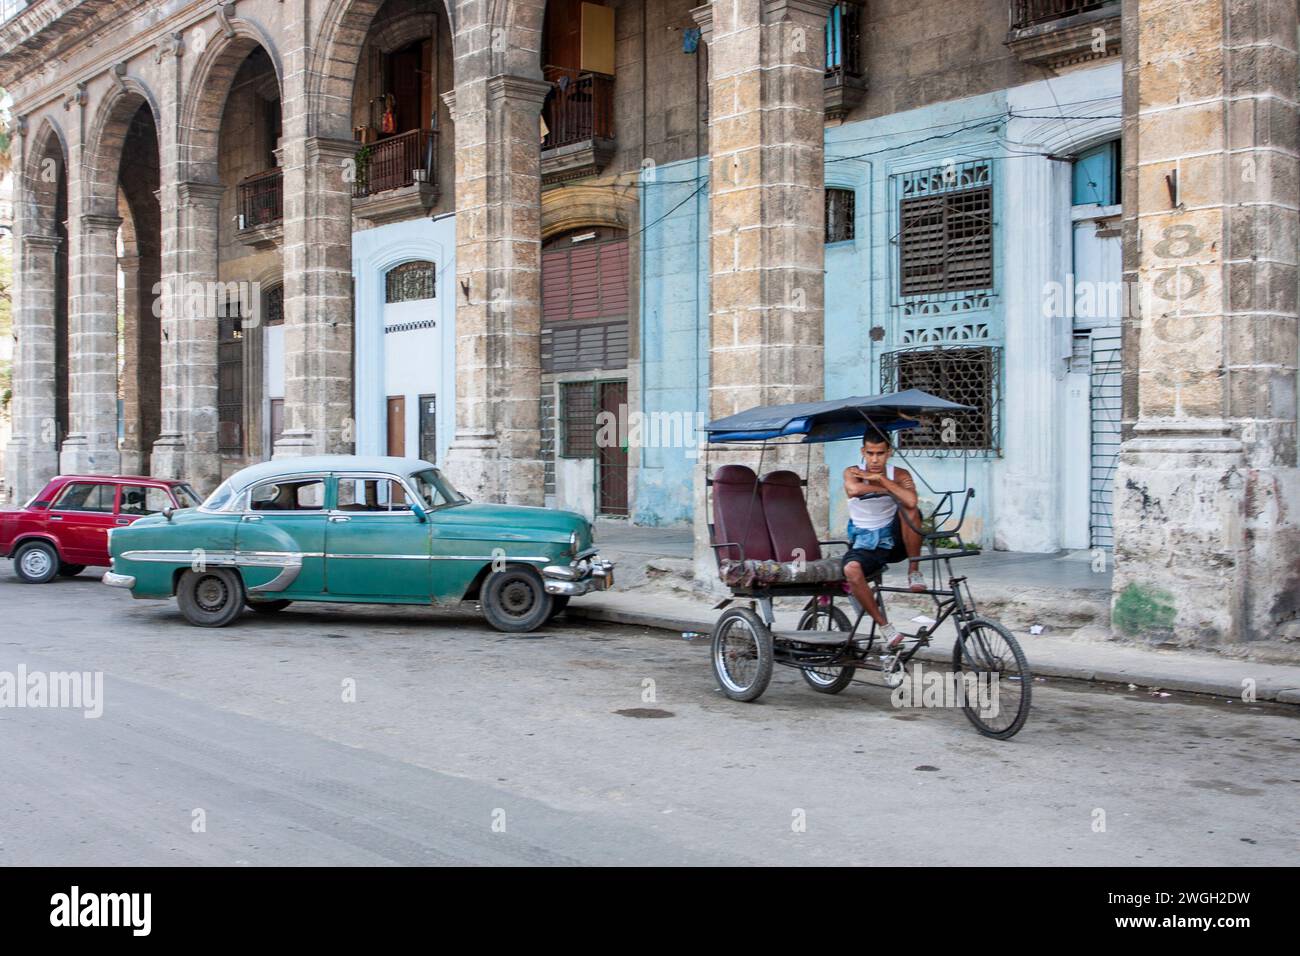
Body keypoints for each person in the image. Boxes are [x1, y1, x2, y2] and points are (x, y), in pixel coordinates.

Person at [841, 433, 925, 650]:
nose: (875, 460)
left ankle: (914, 570)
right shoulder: (853, 472)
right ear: (863, 452)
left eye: (880, 454)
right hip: (867, 542)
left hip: (896, 541)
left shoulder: (899, 473)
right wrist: (890, 489)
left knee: (911, 509)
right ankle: (885, 627)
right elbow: (854, 490)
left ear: (889, 453)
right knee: (851, 570)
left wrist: (881, 479)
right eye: (870, 453)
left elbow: (911, 500)